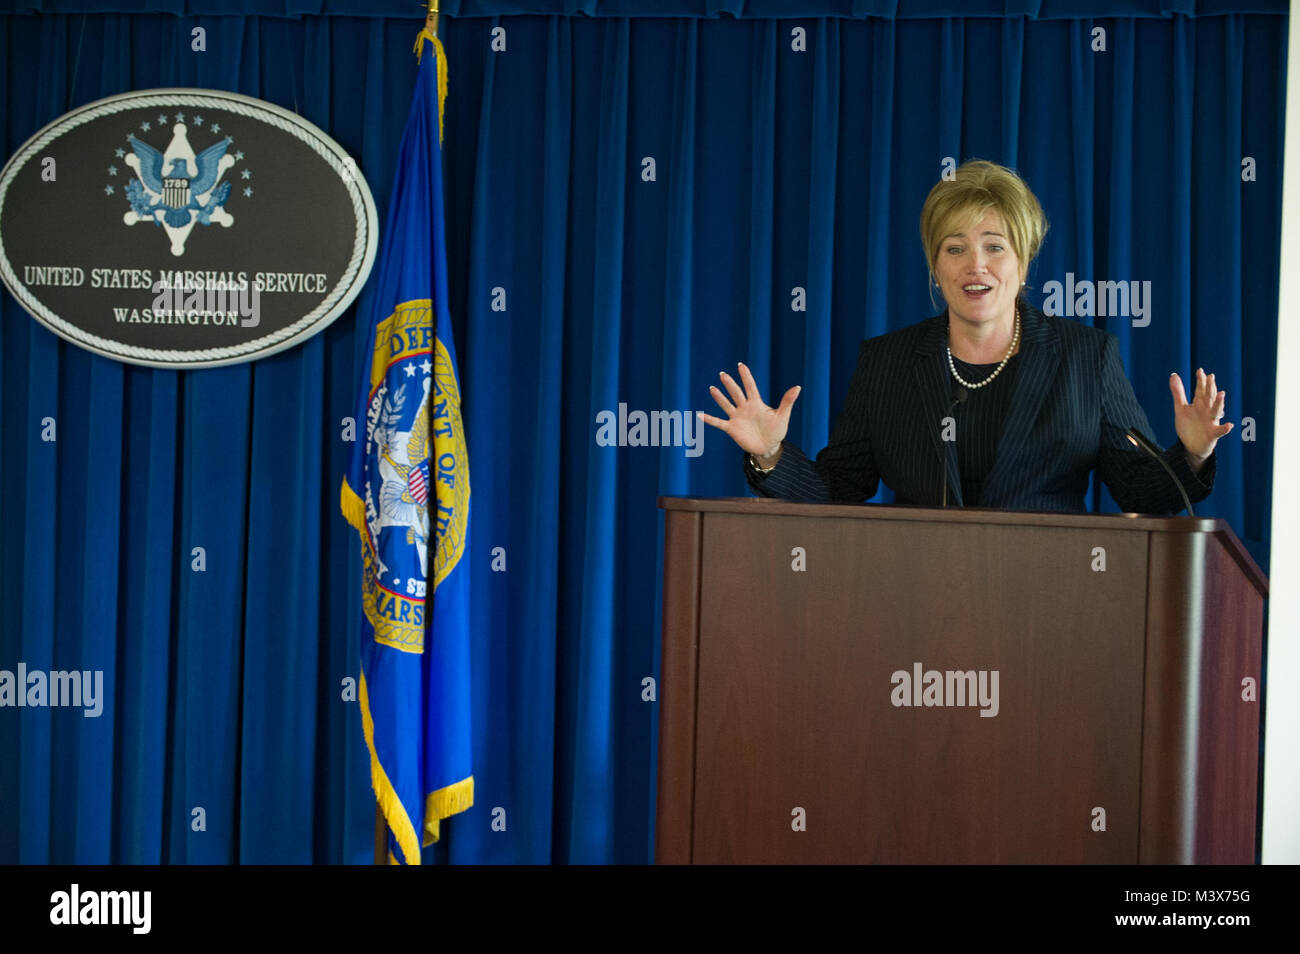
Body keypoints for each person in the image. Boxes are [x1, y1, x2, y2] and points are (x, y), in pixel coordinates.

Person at [698, 159, 1232, 513]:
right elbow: (841, 489)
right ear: (935, 267)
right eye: (955, 248)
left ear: (1023, 263)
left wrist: (1191, 454)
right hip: (916, 607)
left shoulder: (1085, 359)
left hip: (1052, 615)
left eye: (995, 246)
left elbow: (1139, 488)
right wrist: (771, 455)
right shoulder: (887, 361)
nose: (975, 265)